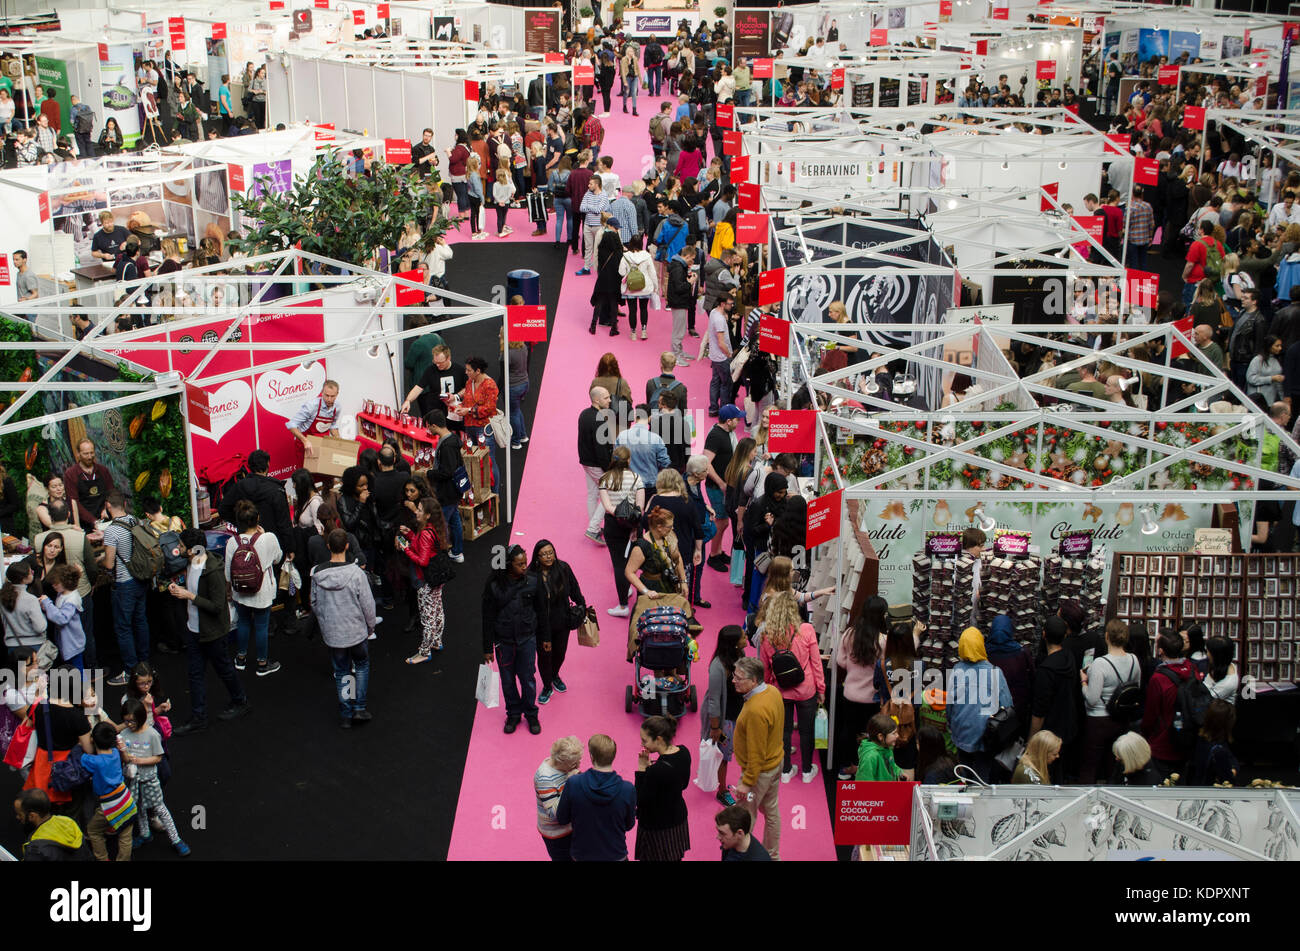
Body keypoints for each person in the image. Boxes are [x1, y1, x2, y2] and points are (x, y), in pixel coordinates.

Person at [165, 529, 248, 736]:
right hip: (194, 630)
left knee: (224, 669)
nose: (179, 549)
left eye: (182, 546)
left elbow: (217, 606)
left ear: (193, 550)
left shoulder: (211, 570)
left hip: (212, 632)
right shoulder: (191, 564)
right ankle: (199, 716)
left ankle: (240, 701)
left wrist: (189, 596)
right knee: (195, 674)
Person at [757, 594, 825, 784]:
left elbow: (765, 668)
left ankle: (786, 771)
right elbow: (816, 663)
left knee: (783, 732)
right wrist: (821, 688)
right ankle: (806, 770)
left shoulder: (767, 635)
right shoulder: (807, 629)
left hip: (780, 691)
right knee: (806, 731)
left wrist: (769, 688)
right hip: (807, 689)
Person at [482, 545, 548, 735]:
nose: (524, 567)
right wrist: (487, 648)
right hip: (504, 642)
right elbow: (487, 617)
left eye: (525, 563)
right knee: (508, 680)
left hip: (527, 639)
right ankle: (513, 713)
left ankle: (531, 713)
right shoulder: (493, 586)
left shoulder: (534, 582)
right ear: (509, 565)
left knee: (528, 679)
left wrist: (545, 638)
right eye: (520, 564)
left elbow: (542, 611)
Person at [312, 529, 376, 727]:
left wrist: (325, 623)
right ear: (347, 546)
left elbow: (314, 603)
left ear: (328, 546)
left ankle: (346, 713)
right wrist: (371, 626)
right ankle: (359, 708)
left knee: (342, 670)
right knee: (362, 666)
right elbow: (368, 604)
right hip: (356, 632)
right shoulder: (357, 574)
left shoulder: (317, 574)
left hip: (333, 633)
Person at [120, 698, 189, 855]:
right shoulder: (124, 734)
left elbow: (158, 757)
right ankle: (145, 834)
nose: (129, 724)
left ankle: (176, 839)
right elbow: (124, 759)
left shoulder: (152, 734)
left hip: (150, 780)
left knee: (160, 808)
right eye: (126, 721)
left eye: (132, 721)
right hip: (133, 780)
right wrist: (123, 751)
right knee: (139, 809)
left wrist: (140, 761)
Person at [731, 655, 784, 860]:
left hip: (759, 773)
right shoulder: (772, 691)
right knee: (772, 812)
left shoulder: (755, 710)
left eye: (739, 677)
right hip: (775, 763)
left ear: (754, 681)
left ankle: (744, 857)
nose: (733, 680)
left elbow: (756, 751)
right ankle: (772, 855)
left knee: (745, 818)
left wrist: (747, 782)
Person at [224, 499, 284, 678]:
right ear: (258, 518)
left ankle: (240, 659)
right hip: (262, 591)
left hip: (239, 591)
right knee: (261, 626)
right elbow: (278, 559)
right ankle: (262, 663)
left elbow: (228, 573)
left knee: (243, 622)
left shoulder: (231, 542)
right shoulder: (268, 538)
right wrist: (265, 534)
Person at [555, 733, 637, 861]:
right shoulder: (628, 789)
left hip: (582, 855)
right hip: (616, 855)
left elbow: (562, 818)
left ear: (592, 757)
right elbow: (629, 825)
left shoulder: (574, 783)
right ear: (613, 757)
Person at [1078, 618, 1141, 783]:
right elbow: (1135, 689)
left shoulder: (1100, 664)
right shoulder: (1134, 660)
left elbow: (1091, 699)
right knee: (1114, 765)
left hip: (1097, 720)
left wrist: (1084, 682)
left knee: (1090, 766)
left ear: (1106, 637)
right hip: (1121, 719)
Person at [948, 627, 1013, 783]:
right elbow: (1007, 705)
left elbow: (950, 705)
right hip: (987, 736)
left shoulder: (956, 670)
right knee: (982, 777)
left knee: (963, 774)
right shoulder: (995, 672)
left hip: (962, 733)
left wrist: (952, 724)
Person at [102, 492, 151, 689]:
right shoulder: (135, 520)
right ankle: (145, 664)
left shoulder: (111, 530)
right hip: (141, 578)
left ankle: (131, 670)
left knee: (123, 627)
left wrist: (101, 558)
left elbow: (109, 563)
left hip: (125, 582)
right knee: (141, 621)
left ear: (107, 505)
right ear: (123, 503)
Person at [833, 595, 886, 779]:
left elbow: (840, 660)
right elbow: (885, 668)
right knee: (870, 734)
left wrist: (852, 667)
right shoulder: (882, 640)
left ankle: (845, 767)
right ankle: (865, 768)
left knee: (848, 730)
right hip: (872, 697)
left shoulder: (849, 634)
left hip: (850, 693)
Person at [217, 449, 295, 567]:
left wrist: (242, 521)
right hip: (271, 542)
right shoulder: (276, 490)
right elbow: (284, 522)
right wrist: (290, 548)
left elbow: (223, 509)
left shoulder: (240, 486)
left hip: (245, 540)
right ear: (268, 464)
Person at [1141, 630, 1201, 781]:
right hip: (1187, 738)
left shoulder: (1159, 678)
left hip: (1163, 742)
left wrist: (1147, 735)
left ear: (1160, 650)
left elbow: (1151, 714)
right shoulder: (1192, 668)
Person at [396, 499, 450, 665]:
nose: (416, 512)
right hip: (436, 579)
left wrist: (405, 549)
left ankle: (425, 652)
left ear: (427, 515)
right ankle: (437, 641)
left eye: (419, 510)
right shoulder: (433, 529)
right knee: (438, 609)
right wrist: (410, 534)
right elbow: (423, 546)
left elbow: (422, 560)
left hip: (425, 581)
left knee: (427, 618)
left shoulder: (425, 532)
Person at [634, 714, 691, 861]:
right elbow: (683, 784)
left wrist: (642, 769)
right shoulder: (684, 752)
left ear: (658, 739)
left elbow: (640, 800)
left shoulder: (656, 771)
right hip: (678, 819)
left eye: (645, 740)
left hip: (658, 828)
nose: (642, 744)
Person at [597, 448, 645, 619]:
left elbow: (607, 507)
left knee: (619, 564)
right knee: (631, 563)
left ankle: (623, 604)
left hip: (613, 526)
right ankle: (629, 587)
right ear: (629, 460)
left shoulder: (605, 479)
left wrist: (618, 514)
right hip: (633, 526)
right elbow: (640, 508)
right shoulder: (637, 479)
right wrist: (634, 528)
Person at [1030, 616, 1080, 778]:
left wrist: (1032, 740)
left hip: (1050, 733)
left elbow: (1039, 710)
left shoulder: (1046, 670)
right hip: (1068, 727)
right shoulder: (1069, 658)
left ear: (1043, 634)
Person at [81, 722, 136, 861]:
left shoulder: (94, 761)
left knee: (93, 831)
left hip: (109, 805)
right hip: (125, 799)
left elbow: (82, 757)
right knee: (125, 835)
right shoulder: (116, 753)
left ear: (93, 740)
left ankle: (103, 858)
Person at [423, 411, 465, 564]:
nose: (429, 430)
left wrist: (431, 473)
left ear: (434, 425)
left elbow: (447, 471)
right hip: (454, 490)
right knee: (455, 522)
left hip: (447, 491)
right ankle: (457, 551)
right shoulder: (452, 438)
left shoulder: (446, 445)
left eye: (429, 427)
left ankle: (440, 554)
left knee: (441, 524)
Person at [457, 356, 502, 492]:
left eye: (469, 370)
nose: (466, 372)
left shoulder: (490, 385)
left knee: (489, 461)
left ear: (478, 371)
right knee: (474, 458)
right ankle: (479, 487)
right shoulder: (470, 381)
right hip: (470, 426)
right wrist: (458, 405)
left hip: (484, 428)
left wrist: (468, 410)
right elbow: (468, 400)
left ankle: (495, 492)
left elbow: (490, 408)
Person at [535, 735, 582, 861]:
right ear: (562, 762)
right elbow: (554, 814)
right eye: (574, 763)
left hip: (572, 828)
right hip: (557, 835)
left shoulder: (566, 769)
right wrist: (570, 783)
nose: (578, 766)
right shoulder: (545, 778)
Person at [578, 385, 615, 545]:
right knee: (611, 493)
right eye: (606, 397)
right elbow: (601, 450)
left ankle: (595, 527)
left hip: (586, 461)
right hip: (596, 464)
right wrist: (609, 469)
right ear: (596, 400)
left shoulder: (584, 414)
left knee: (593, 494)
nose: (609, 400)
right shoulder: (599, 420)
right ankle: (593, 528)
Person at [14, 789, 91, 861]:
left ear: (32, 816)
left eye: (20, 814)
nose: (17, 817)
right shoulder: (68, 822)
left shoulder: (35, 849)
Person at [63, 438, 114, 527]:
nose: (90, 457)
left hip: (105, 517)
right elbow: (74, 502)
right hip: (84, 523)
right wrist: (93, 521)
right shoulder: (71, 474)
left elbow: (111, 493)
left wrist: (106, 508)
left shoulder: (103, 470)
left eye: (92, 453)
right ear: (78, 454)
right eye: (86, 454)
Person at [1187, 699, 1240, 786]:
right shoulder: (1219, 751)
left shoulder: (1200, 738)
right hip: (1210, 795)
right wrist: (1233, 770)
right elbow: (1227, 781)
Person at [287, 380, 341, 462]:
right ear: (322, 392)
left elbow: (332, 424)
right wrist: (305, 441)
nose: (329, 399)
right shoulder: (311, 406)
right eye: (326, 395)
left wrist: (338, 439)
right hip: (305, 446)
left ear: (337, 394)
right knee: (304, 474)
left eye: (332, 396)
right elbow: (291, 425)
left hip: (322, 445)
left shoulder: (337, 407)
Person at [2, 562, 48, 659]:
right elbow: (40, 627)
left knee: (18, 674)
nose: (33, 572)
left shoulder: (2, 598)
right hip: (34, 646)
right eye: (30, 571)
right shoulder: (30, 599)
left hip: (12, 645)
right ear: (24, 579)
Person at [854, 711, 903, 782]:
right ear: (880, 736)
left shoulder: (886, 747)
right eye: (894, 733)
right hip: (877, 792)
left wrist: (899, 772)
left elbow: (891, 764)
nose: (897, 735)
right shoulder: (870, 756)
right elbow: (864, 782)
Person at [1204, 637, 1239, 704]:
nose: (1207, 654)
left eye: (1208, 651)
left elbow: (1208, 699)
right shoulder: (1223, 665)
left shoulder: (1229, 683)